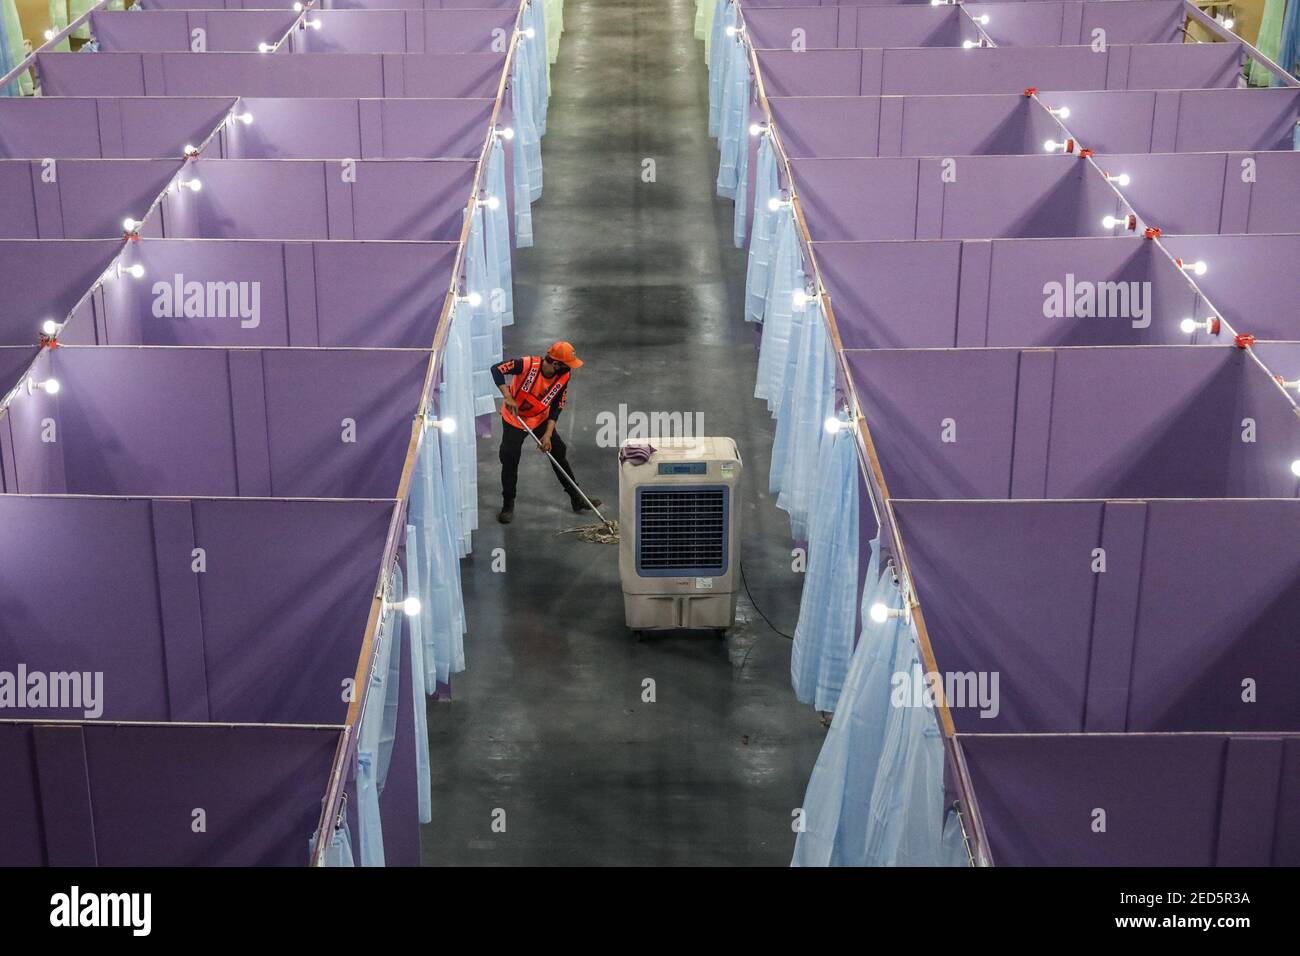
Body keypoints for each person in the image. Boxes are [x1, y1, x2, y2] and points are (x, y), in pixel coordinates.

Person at [491, 341, 601, 524]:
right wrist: (508, 396)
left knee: (558, 451)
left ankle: (576, 498)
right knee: (510, 459)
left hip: (540, 419)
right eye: (566, 364)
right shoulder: (526, 364)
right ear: (556, 363)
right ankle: (508, 504)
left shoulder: (564, 375)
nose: (569, 369)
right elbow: (496, 369)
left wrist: (548, 434)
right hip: (515, 419)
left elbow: (558, 405)